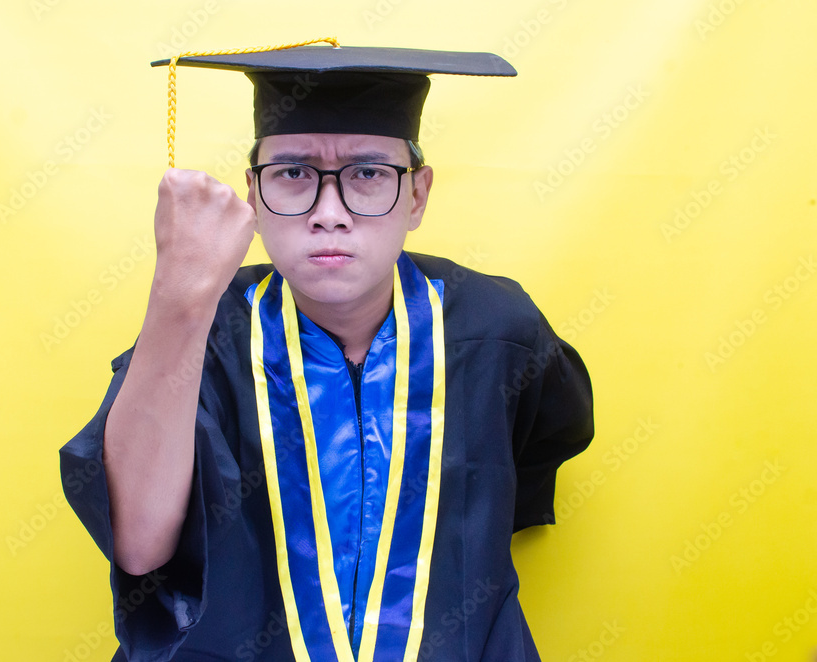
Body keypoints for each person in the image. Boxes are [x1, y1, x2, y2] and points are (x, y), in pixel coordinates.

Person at [60, 44, 594, 661]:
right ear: (253, 195)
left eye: (369, 173)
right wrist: (179, 297)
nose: (330, 214)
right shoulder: (201, 335)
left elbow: (535, 449)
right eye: (293, 174)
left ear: (417, 195)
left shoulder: (498, 331)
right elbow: (139, 546)